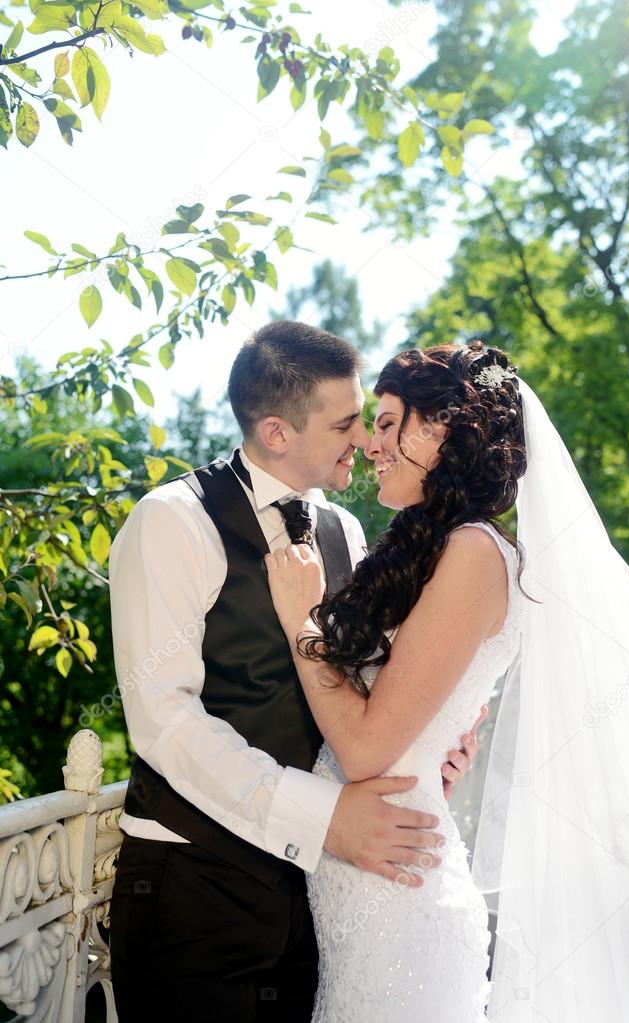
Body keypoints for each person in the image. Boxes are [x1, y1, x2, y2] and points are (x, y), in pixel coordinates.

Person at [266, 339, 629, 1023]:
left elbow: (368, 749)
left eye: (385, 420)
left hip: (402, 918)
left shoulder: (474, 553)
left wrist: (300, 623)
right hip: (366, 899)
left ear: (440, 429)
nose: (370, 444)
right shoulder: (436, 549)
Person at [108, 321, 483, 1022]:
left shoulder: (345, 530)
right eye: (345, 422)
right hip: (196, 892)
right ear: (277, 432)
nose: (365, 440)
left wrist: (432, 745)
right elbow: (162, 721)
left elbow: (365, 690)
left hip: (320, 897)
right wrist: (323, 817)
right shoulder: (171, 521)